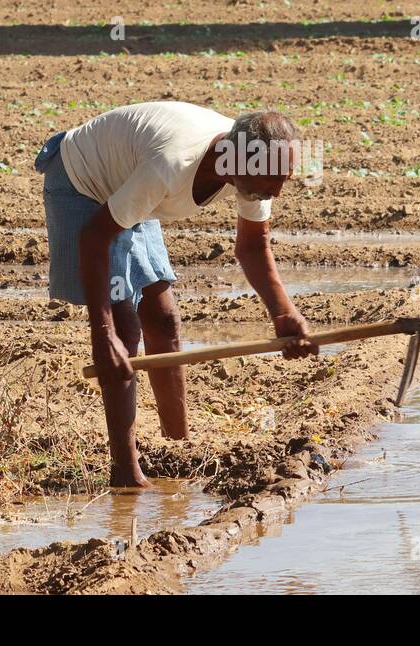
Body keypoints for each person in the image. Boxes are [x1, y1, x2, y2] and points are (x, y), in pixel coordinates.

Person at [34, 101, 318, 487]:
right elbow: (95, 237)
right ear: (232, 160)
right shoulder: (172, 164)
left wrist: (284, 313)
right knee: (124, 328)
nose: (277, 192)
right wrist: (102, 336)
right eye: (273, 180)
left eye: (283, 178)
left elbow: (253, 246)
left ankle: (178, 448)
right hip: (82, 182)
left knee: (163, 318)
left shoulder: (255, 161)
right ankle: (125, 472)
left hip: (131, 181)